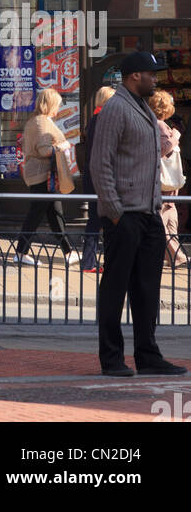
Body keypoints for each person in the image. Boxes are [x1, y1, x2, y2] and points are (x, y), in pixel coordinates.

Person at [90, 51, 187, 377]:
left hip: (149, 213)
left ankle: (148, 355)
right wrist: (115, 211)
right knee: (115, 288)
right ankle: (112, 358)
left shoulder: (142, 108)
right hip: (126, 215)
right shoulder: (116, 108)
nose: (156, 79)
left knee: (147, 289)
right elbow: (99, 163)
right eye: (151, 74)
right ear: (135, 76)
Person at [14, 88, 78, 265]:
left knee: (54, 214)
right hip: (43, 175)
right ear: (49, 104)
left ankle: (68, 252)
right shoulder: (42, 122)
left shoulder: (37, 121)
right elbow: (44, 150)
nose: (58, 107)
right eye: (56, 104)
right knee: (37, 214)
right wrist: (63, 146)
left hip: (44, 175)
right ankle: (20, 253)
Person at [150, 89, 189, 269]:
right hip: (164, 181)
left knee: (170, 217)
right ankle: (177, 256)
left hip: (166, 181)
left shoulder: (158, 124)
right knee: (164, 219)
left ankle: (168, 256)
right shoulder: (160, 126)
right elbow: (164, 148)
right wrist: (176, 136)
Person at [80, 86, 115, 272]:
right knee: (99, 219)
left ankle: (90, 262)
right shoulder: (103, 119)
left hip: (92, 175)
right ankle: (90, 262)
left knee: (96, 218)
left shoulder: (94, 118)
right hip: (99, 177)